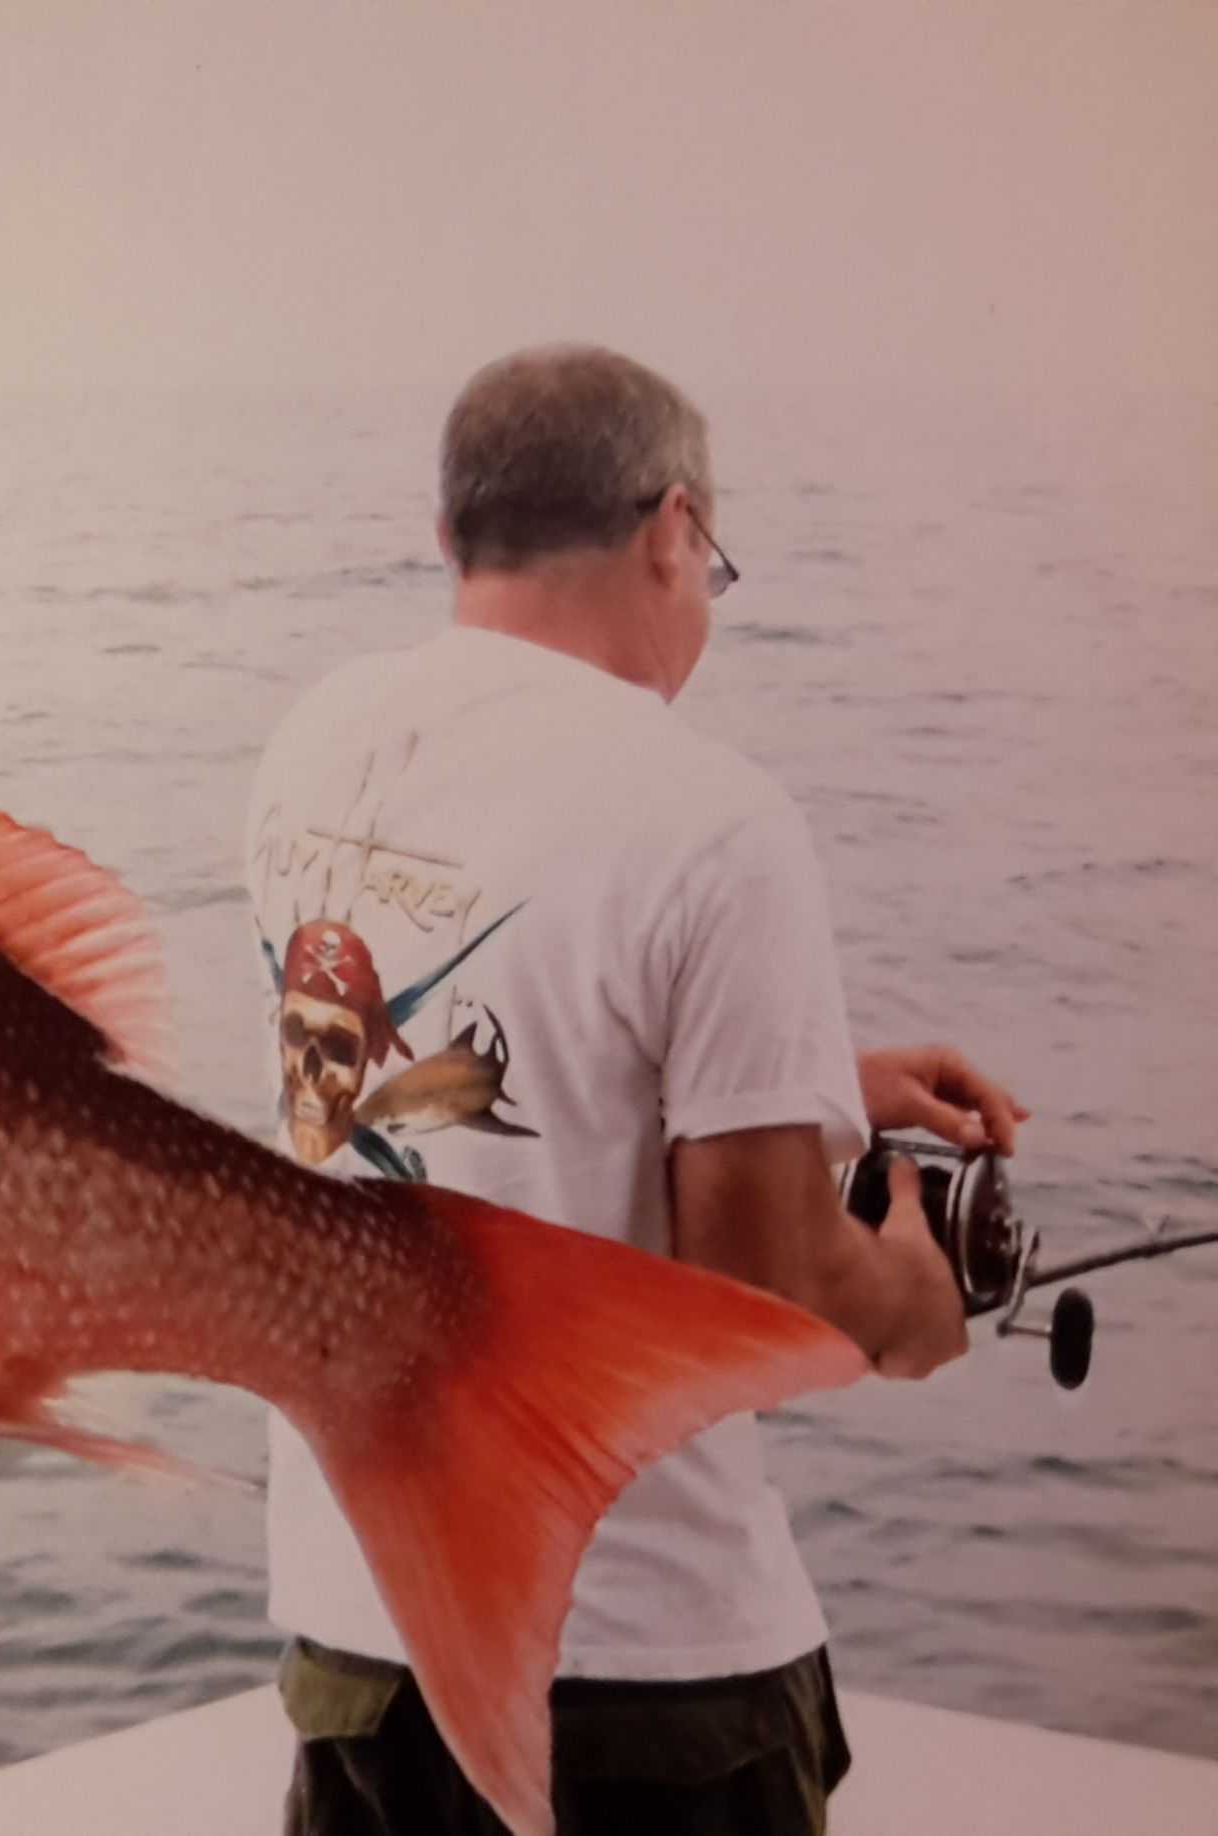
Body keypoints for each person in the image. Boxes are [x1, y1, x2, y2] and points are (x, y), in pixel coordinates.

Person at [239, 341, 1029, 1834]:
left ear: (451, 538)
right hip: (642, 1685)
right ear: (673, 528)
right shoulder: (712, 818)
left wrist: (811, 1079)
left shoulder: (316, 746)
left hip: (363, 1638)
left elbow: (417, 1076)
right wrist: (919, 1301)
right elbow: (768, 1282)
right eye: (710, 566)